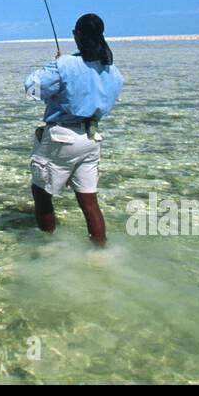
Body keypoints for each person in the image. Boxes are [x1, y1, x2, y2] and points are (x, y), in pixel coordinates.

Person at [23, 13, 124, 245]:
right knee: (89, 202)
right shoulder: (113, 71)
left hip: (62, 137)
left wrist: (55, 68)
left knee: (42, 194)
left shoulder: (65, 64)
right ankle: (100, 250)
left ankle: (47, 246)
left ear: (77, 35)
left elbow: (32, 90)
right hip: (91, 138)